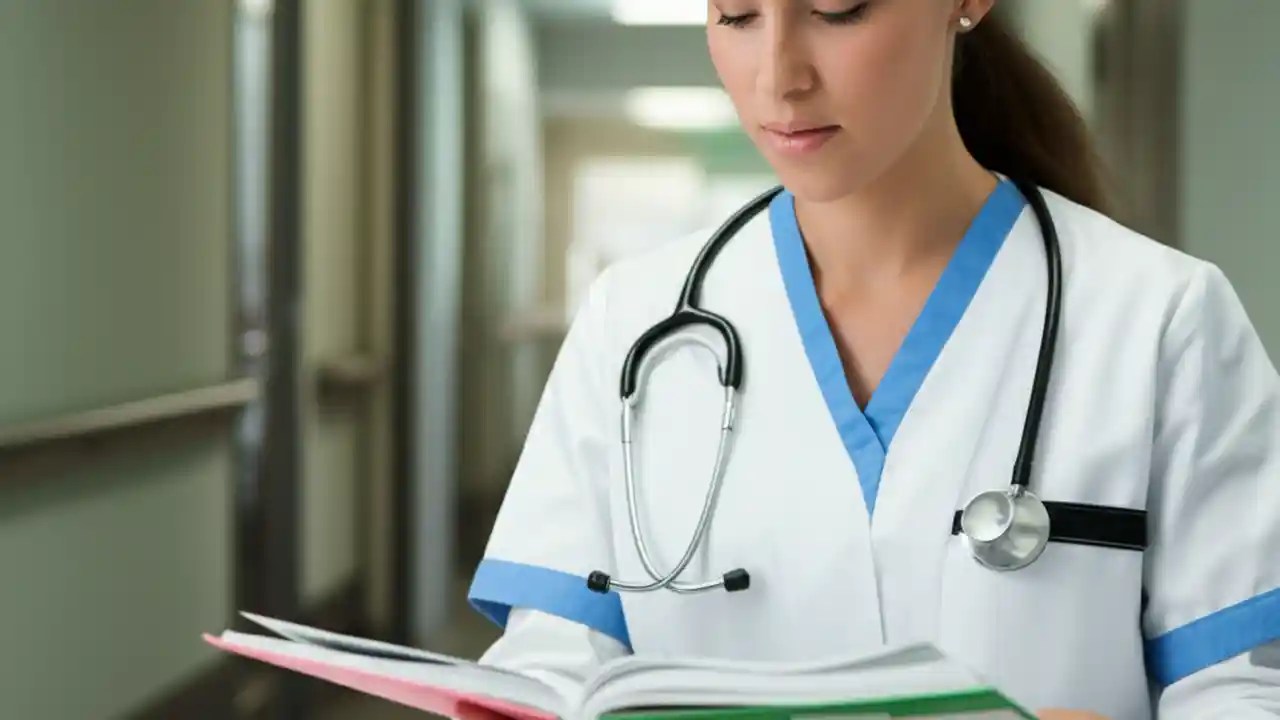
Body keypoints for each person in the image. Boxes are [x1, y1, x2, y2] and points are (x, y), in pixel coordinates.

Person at [462, 1, 1280, 718]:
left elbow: (1244, 687)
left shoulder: (1159, 319)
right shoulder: (631, 322)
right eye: (737, 16)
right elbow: (554, 670)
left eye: (839, 9)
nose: (778, 78)